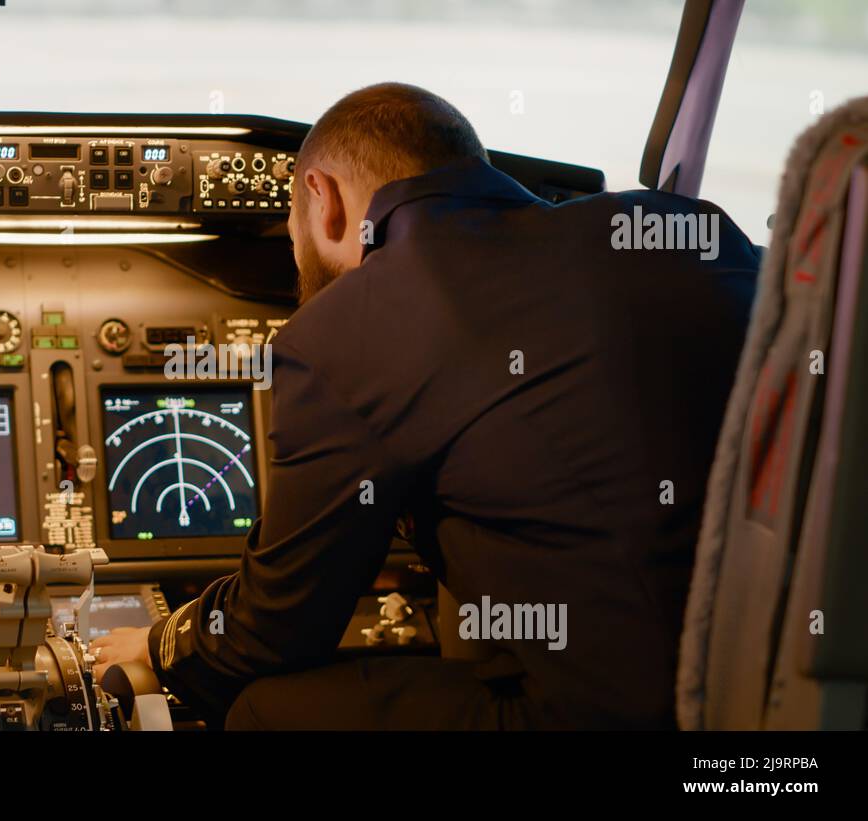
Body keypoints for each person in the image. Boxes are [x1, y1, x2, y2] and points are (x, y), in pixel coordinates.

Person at [90, 82, 760, 729]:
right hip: (778, 696)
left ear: (323, 201)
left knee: (261, 710)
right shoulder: (683, 227)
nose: (299, 268)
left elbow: (274, 629)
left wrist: (161, 645)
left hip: (608, 716)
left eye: (292, 239)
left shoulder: (349, 327)